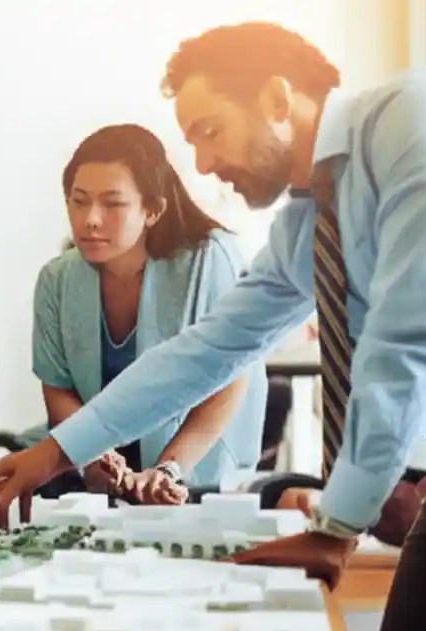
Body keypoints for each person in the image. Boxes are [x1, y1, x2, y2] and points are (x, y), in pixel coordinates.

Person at [0, 22, 426, 631]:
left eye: (210, 130)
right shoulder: (310, 221)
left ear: (278, 99)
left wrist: (338, 524)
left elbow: (408, 343)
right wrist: (59, 450)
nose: (203, 162)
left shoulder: (416, 125)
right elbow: (208, 350)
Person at [23, 124, 266, 504]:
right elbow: (59, 388)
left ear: (152, 209)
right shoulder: (57, 278)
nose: (91, 219)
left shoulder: (209, 259)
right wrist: (91, 455)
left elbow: (230, 381)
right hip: (107, 481)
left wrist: (169, 468)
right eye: (79, 200)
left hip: (196, 472)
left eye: (113, 203)